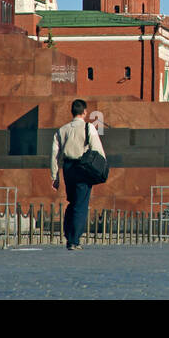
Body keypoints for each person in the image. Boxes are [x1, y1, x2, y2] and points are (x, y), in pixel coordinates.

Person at [51, 98, 105, 251]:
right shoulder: (89, 128)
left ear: (72, 112)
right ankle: (74, 240)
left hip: (68, 169)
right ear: (85, 112)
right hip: (83, 168)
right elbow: (97, 150)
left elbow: (55, 154)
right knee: (81, 204)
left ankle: (68, 235)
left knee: (73, 201)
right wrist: (102, 169)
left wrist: (55, 176)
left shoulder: (62, 130)